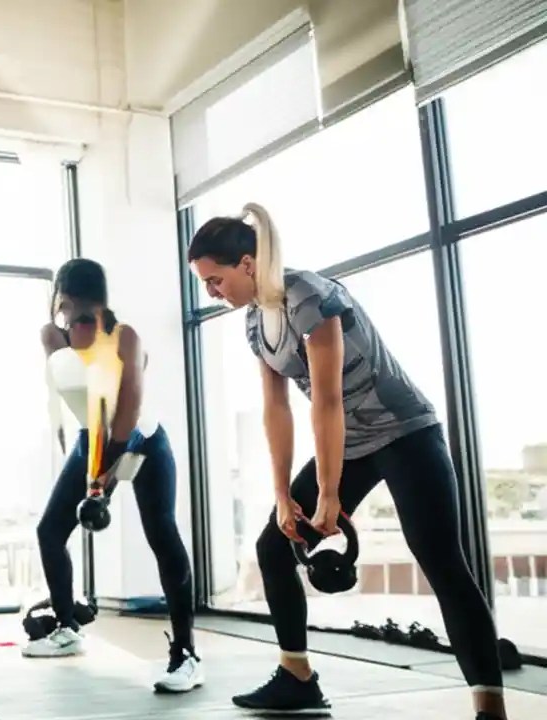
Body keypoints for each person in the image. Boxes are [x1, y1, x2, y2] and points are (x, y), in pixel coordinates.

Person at [187, 203, 507, 720]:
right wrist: (282, 496)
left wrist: (331, 498)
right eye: (206, 284)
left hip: (407, 433)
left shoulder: (311, 295)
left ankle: (489, 706)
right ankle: (297, 676)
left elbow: (327, 400)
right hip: (350, 443)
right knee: (274, 544)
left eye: (215, 279)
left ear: (247, 264)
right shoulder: (255, 324)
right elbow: (276, 410)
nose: (213, 293)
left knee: (440, 558)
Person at [30, 258, 203, 694]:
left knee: (162, 533)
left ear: (64, 295)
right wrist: (93, 466)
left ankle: (186, 654)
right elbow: (74, 391)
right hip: (92, 436)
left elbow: (129, 412)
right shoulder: (54, 336)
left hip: (142, 440)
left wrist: (101, 480)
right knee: (51, 531)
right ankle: (67, 629)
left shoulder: (126, 338)